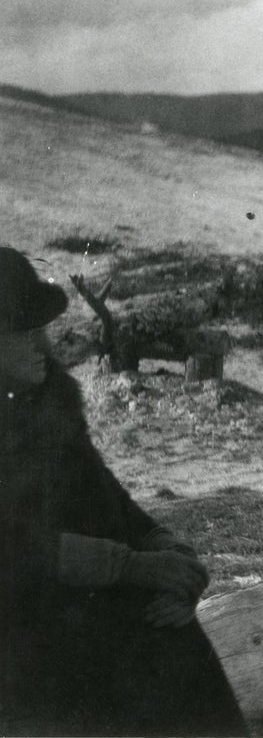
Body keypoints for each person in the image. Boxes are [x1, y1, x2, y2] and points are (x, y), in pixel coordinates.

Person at [0, 246, 248, 737]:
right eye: (22, 332)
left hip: (66, 609)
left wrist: (172, 556)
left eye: (40, 329)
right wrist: (132, 568)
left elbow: (107, 501)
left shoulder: (48, 403)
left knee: (172, 635)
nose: (40, 343)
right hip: (16, 640)